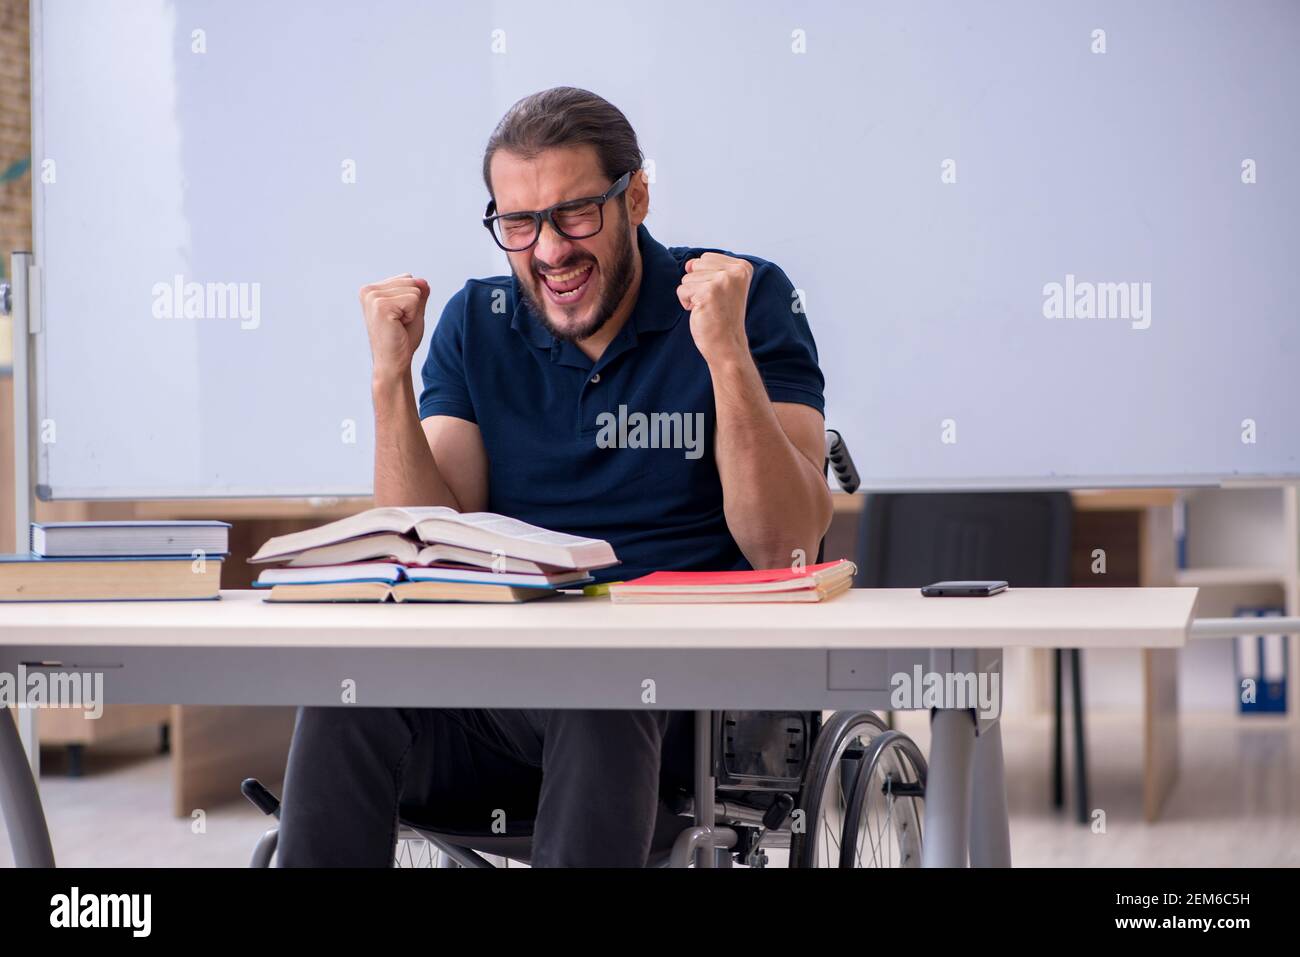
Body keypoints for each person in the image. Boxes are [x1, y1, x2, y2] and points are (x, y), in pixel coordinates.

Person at [277, 86, 831, 867]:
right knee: (348, 690)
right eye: (518, 223)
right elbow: (424, 540)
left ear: (636, 196)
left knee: (599, 682)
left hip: (684, 709)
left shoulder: (745, 298)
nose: (548, 249)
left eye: (575, 214)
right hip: (506, 706)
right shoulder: (478, 322)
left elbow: (785, 545)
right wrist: (388, 379)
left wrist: (727, 356)